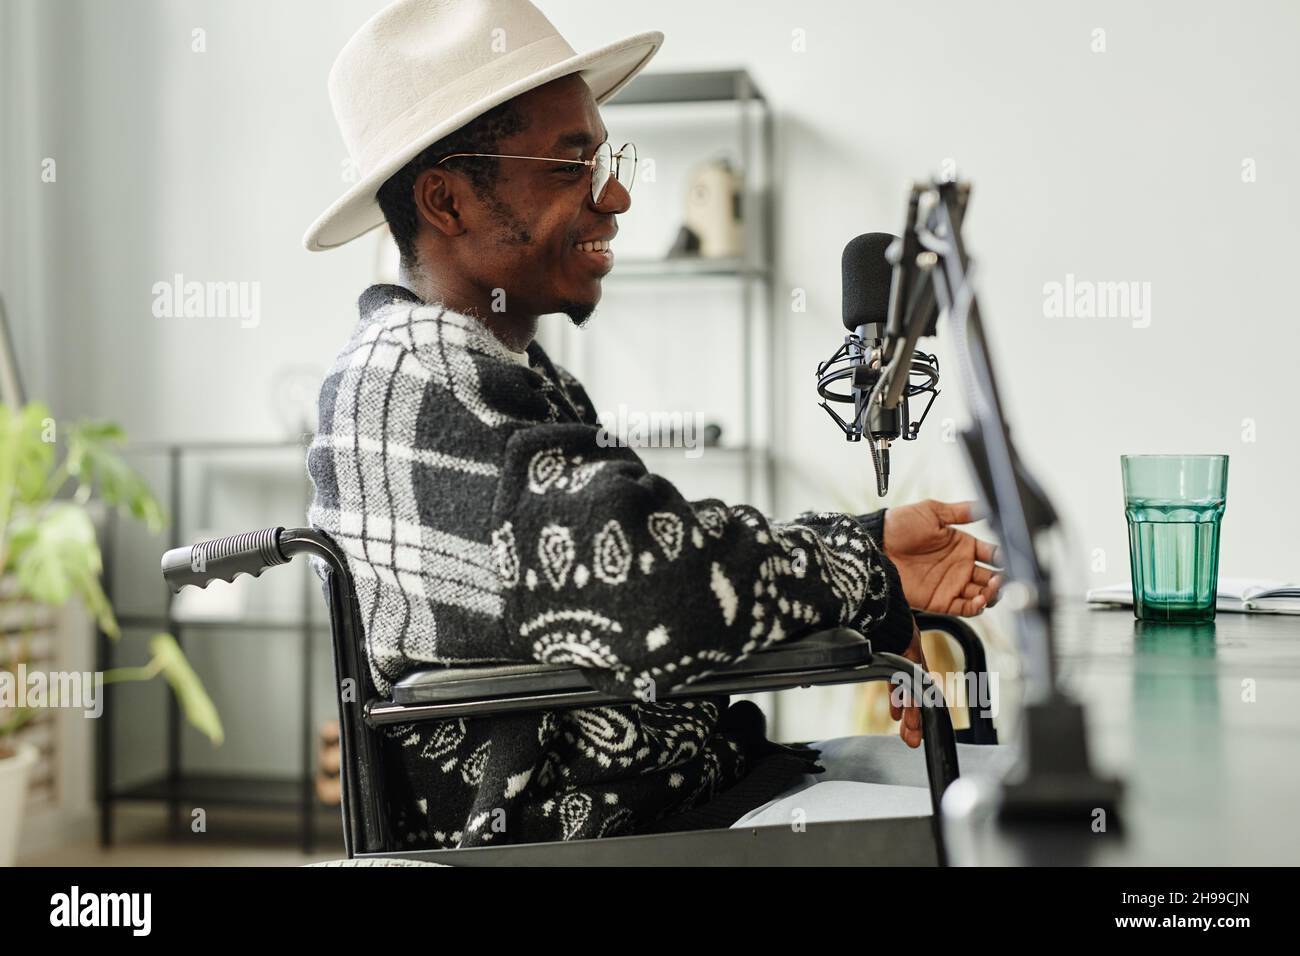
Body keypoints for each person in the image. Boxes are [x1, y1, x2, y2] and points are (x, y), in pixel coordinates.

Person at [303, 0, 1005, 848]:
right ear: (447, 200)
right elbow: (652, 585)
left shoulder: (493, 374)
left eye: (605, 159)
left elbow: (648, 555)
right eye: (570, 167)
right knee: (1000, 829)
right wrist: (861, 563)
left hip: (694, 793)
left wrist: (873, 562)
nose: (618, 195)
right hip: (615, 836)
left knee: (997, 795)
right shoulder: (425, 381)